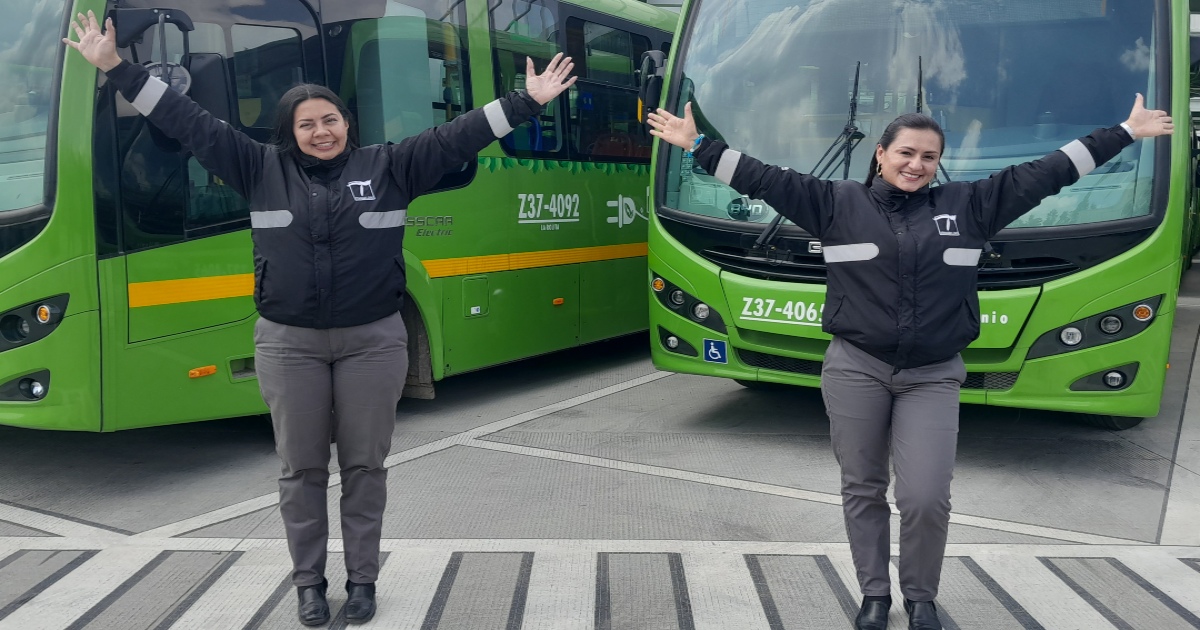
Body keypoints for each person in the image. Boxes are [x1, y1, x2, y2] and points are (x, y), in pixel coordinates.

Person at [64, 11, 576, 627]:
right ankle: (309, 583)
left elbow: (458, 136)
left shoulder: (390, 167)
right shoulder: (257, 169)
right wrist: (117, 68)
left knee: (364, 467)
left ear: (346, 125)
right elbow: (188, 121)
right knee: (301, 469)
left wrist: (526, 101)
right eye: (307, 124)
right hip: (288, 346)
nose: (320, 132)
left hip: (373, 342)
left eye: (329, 120)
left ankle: (363, 582)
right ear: (290, 133)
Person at [648, 97, 1172, 629]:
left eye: (928, 155)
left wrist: (1126, 131)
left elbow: (1048, 173)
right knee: (863, 486)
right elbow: (764, 179)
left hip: (934, 374)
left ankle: (921, 598)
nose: (915, 164)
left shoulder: (971, 206)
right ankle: (874, 595)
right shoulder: (835, 203)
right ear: (881, 154)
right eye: (905, 152)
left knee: (925, 495)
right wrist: (696, 145)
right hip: (856, 367)